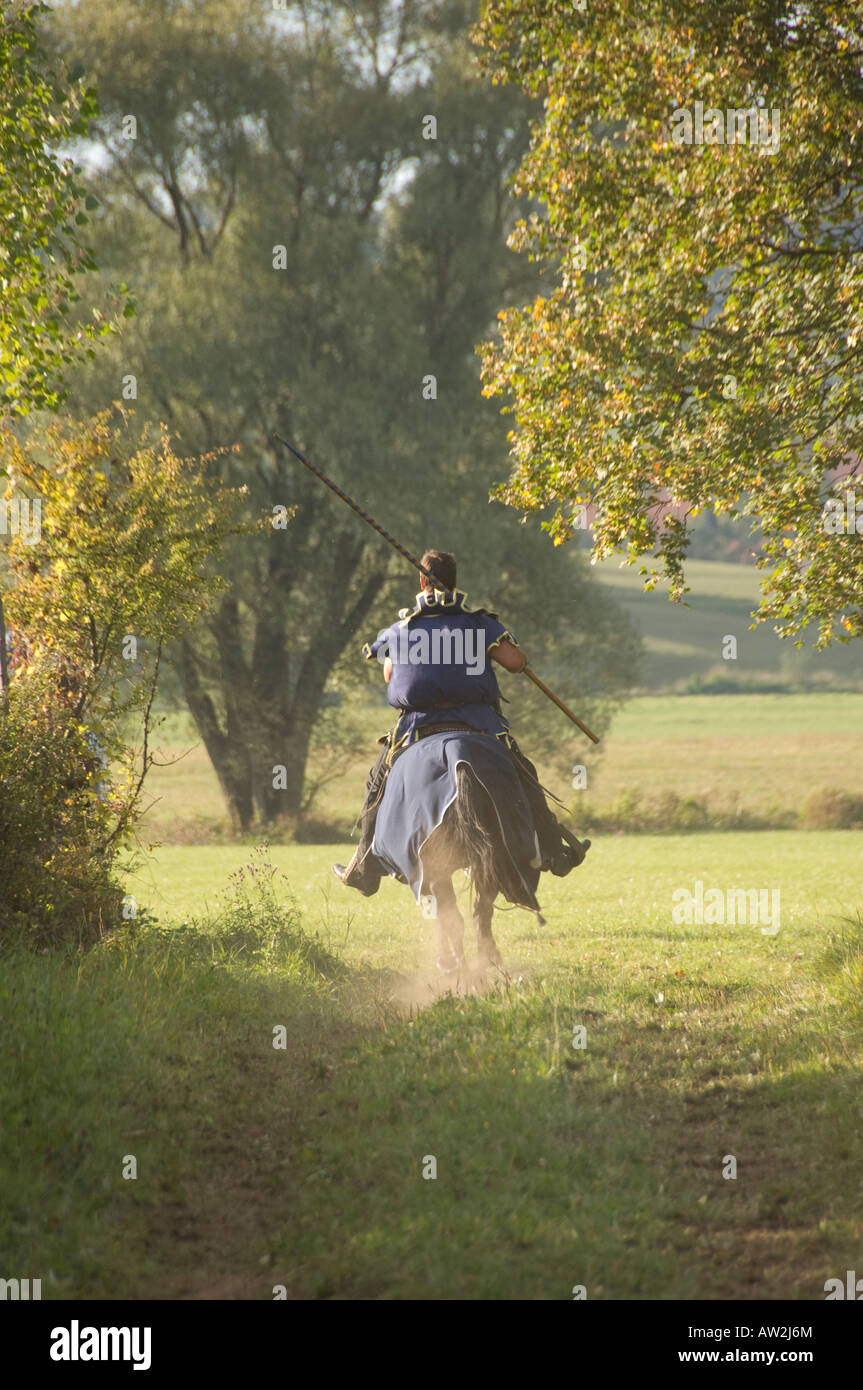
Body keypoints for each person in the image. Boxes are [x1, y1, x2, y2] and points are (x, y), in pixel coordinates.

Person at [333, 549, 590, 896]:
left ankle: (364, 867)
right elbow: (515, 662)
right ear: (455, 581)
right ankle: (553, 850)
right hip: (478, 722)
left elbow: (390, 675)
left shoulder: (401, 629)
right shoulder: (479, 624)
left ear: (422, 581)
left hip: (417, 727)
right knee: (524, 772)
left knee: (377, 781)